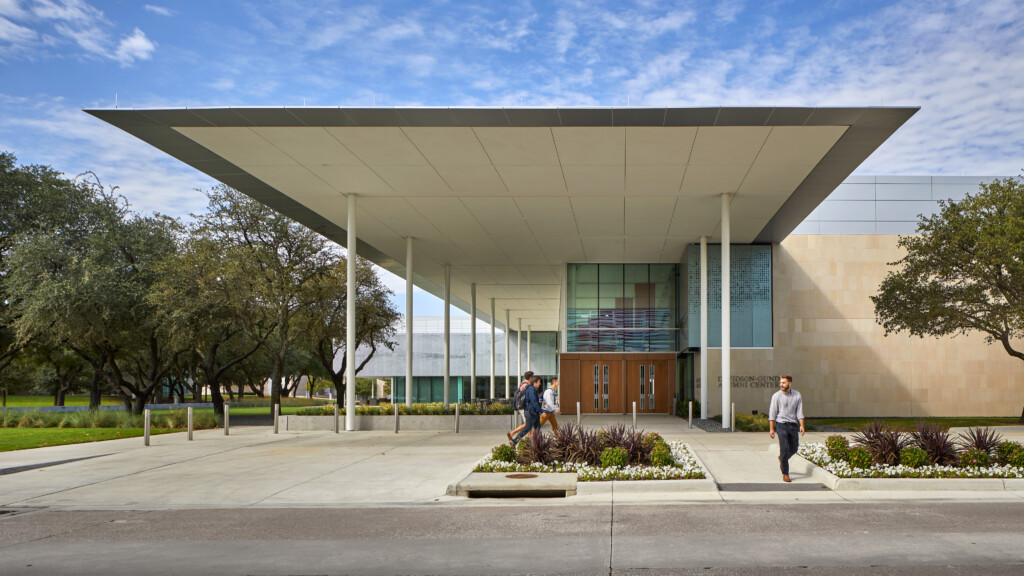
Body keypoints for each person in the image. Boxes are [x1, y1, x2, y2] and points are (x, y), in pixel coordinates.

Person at [768, 374, 805, 482]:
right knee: (784, 448)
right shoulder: (776, 396)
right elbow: (772, 413)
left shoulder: (797, 395)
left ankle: (782, 458)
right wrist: (772, 429)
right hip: (781, 425)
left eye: (784, 383)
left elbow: (799, 412)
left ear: (790, 383)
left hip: (793, 425)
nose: (781, 384)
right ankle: (785, 474)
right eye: (781, 382)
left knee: (794, 448)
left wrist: (802, 425)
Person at [511, 375, 542, 446]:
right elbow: (534, 401)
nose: (540, 384)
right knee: (527, 428)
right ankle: (514, 441)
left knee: (538, 428)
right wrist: (541, 411)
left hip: (534, 413)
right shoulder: (531, 389)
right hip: (531, 412)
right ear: (534, 383)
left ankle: (540, 443)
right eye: (539, 382)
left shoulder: (532, 389)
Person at [507, 371, 534, 444]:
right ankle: (512, 433)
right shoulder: (526, 385)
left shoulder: (523, 384)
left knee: (528, 424)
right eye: (533, 377)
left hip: (523, 407)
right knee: (527, 424)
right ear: (530, 377)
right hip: (524, 407)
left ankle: (528, 439)